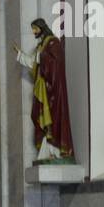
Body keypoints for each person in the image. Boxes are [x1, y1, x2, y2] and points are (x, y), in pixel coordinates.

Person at [15, 18, 75, 162]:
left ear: (42, 28)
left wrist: (42, 56)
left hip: (52, 89)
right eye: (33, 29)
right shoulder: (41, 46)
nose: (34, 32)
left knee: (53, 118)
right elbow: (34, 62)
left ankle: (57, 150)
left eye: (35, 29)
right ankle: (47, 149)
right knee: (41, 117)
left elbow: (56, 63)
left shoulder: (53, 43)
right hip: (42, 89)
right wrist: (20, 54)